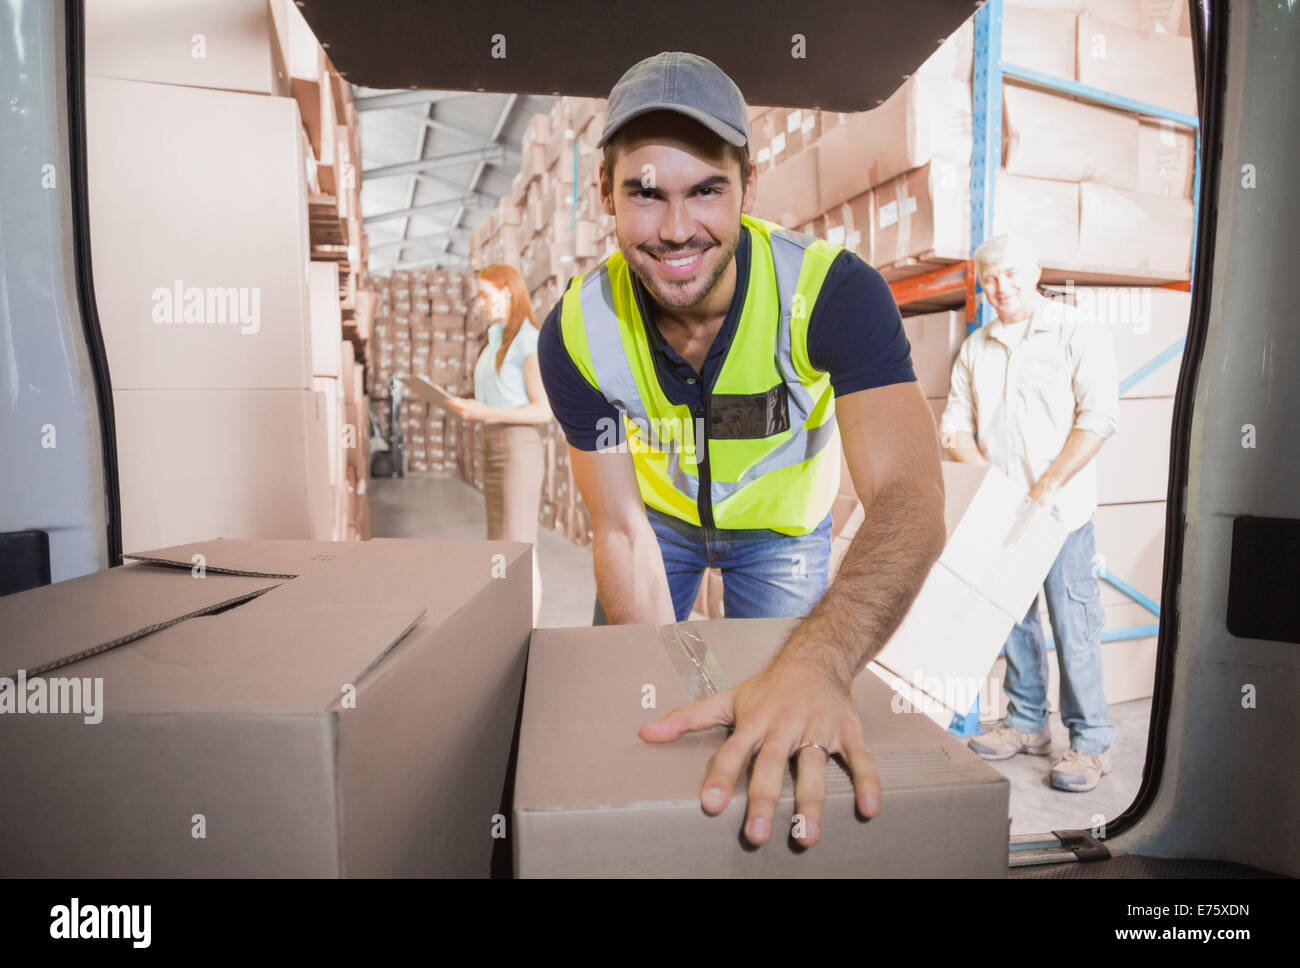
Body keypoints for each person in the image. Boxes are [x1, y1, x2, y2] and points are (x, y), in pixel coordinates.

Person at [536, 51, 947, 848]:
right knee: (643, 714)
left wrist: (822, 661)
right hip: (658, 531)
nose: (678, 229)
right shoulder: (577, 335)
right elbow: (620, 531)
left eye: (707, 191)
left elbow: (911, 495)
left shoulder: (831, 293)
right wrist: (661, 682)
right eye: (646, 194)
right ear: (605, 197)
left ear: (750, 187)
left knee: (792, 730)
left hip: (782, 538)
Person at [938, 234, 1120, 792]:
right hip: (1002, 515)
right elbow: (954, 427)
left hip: (1061, 512)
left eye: (1013, 274)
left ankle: (1089, 743)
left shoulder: (1076, 332)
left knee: (1073, 626)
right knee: (1011, 622)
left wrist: (1045, 486)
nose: (1001, 287)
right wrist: (993, 486)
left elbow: (1098, 418)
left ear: (1036, 271)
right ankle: (1025, 723)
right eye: (990, 278)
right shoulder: (977, 347)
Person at [446, 264, 551, 627]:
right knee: (497, 546)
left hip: (518, 449)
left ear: (508, 291)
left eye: (485, 295)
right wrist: (468, 408)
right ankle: (505, 631)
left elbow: (543, 411)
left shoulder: (527, 341)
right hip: (492, 444)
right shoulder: (494, 339)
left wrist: (484, 410)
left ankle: (529, 634)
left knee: (521, 547)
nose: (481, 304)